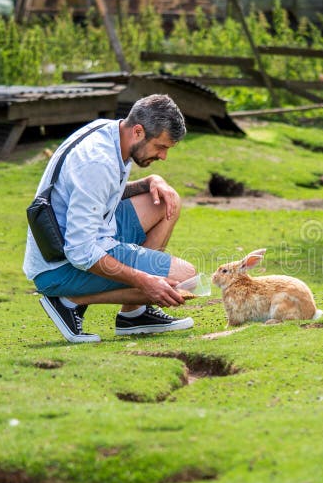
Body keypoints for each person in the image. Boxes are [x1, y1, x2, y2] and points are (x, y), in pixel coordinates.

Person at [23, 94, 197, 343]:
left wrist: (149, 182)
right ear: (138, 131)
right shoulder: (97, 162)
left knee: (166, 200)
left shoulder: (112, 132)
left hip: (95, 234)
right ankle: (68, 300)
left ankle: (135, 313)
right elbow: (80, 251)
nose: (163, 156)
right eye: (161, 147)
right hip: (60, 266)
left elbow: (103, 195)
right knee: (185, 279)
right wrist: (144, 280)